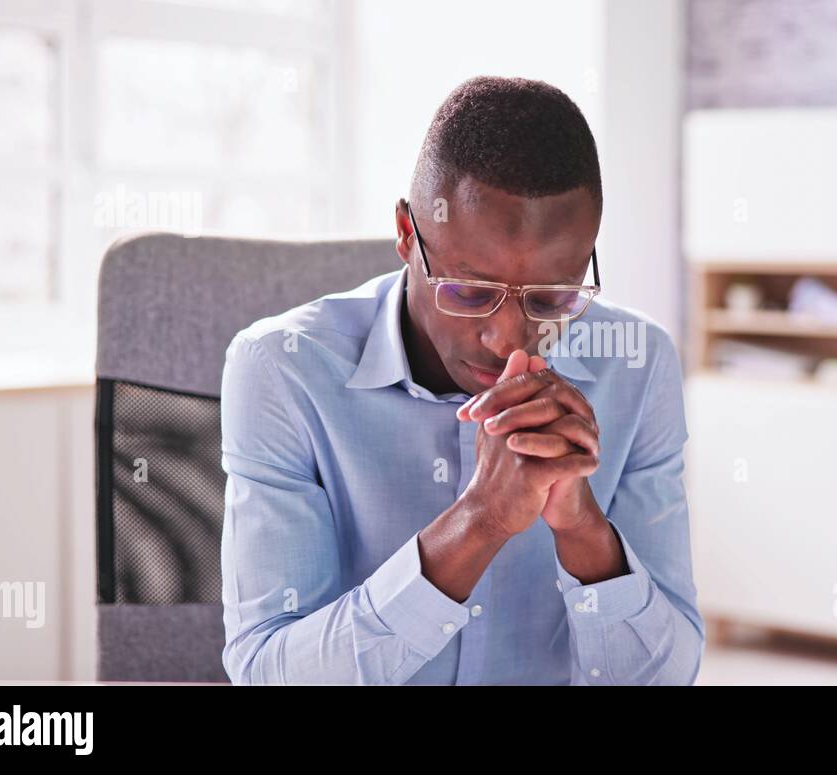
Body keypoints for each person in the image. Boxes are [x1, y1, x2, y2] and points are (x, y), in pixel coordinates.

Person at [219, 76, 703, 684]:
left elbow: (665, 676)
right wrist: (479, 521)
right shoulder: (282, 368)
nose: (509, 339)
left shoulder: (639, 362)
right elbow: (268, 673)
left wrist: (584, 531)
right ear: (406, 234)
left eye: (552, 296)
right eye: (470, 292)